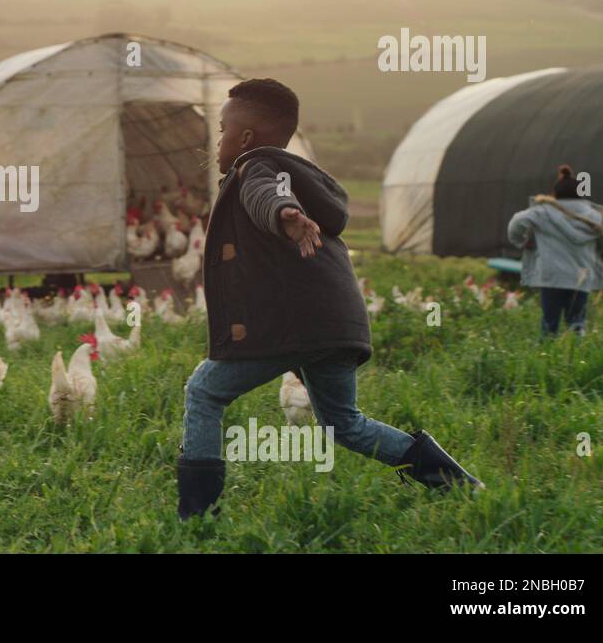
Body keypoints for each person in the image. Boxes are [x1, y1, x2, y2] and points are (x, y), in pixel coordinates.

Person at [177, 79, 481, 521]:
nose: (218, 139)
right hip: (335, 325)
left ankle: (197, 518)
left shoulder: (254, 168)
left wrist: (286, 216)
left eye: (222, 129)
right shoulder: (300, 178)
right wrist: (291, 214)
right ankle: (460, 486)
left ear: (245, 138)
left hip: (293, 326)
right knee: (346, 424)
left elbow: (268, 196)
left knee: (204, 392)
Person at [507, 165, 603, 336]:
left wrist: (522, 241)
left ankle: (547, 359)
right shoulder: (594, 216)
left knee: (549, 325)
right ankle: (576, 360)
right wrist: (598, 245)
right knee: (576, 325)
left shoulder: (542, 212)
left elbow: (517, 222)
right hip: (581, 278)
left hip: (551, 277)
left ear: (555, 194)